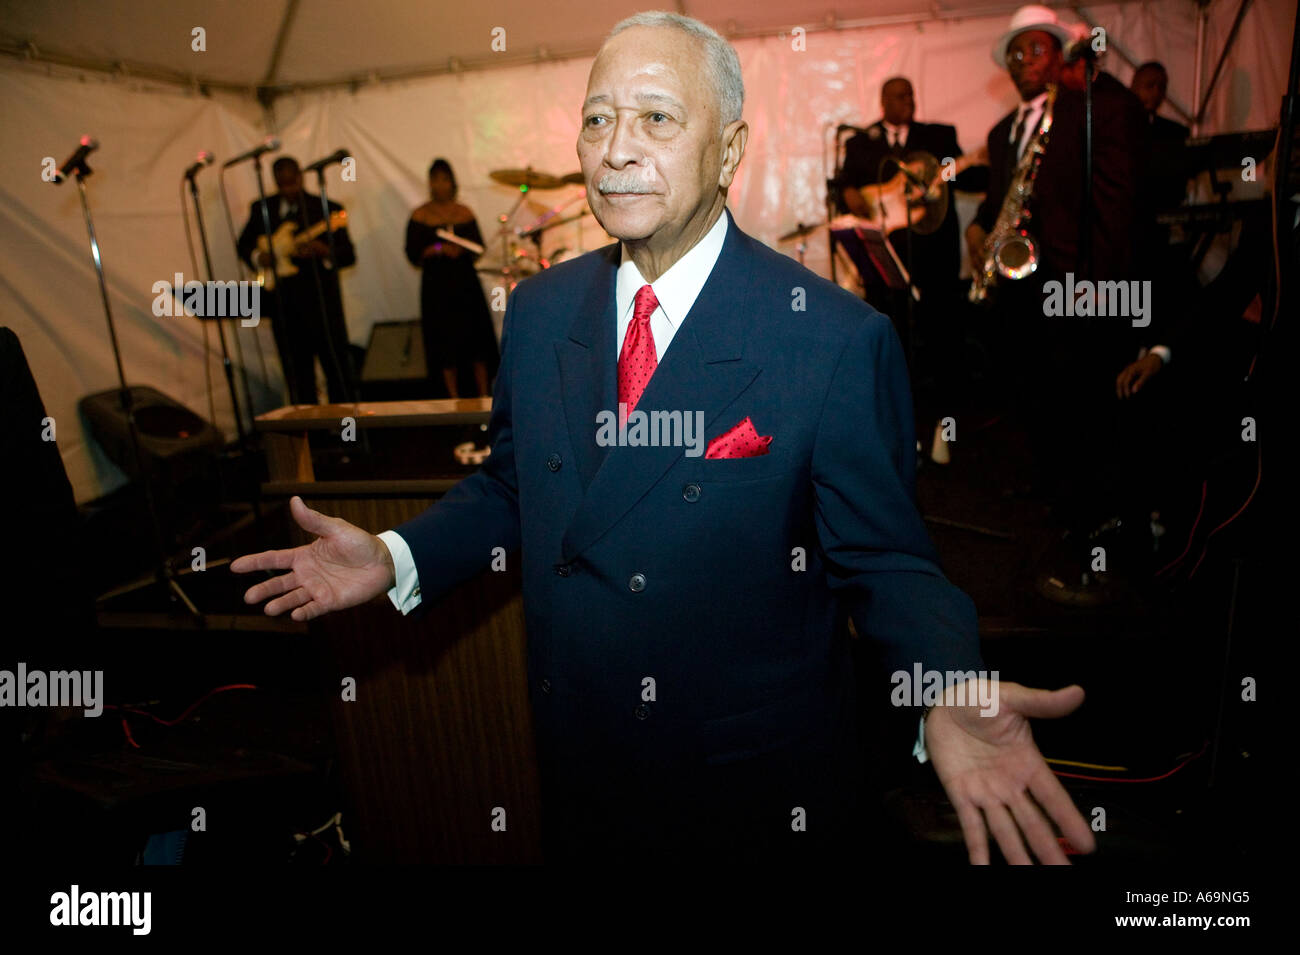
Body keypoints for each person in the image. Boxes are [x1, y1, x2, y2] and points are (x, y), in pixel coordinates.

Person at [233, 11, 1095, 864]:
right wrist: (397, 555)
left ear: (728, 149)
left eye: (656, 117)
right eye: (598, 117)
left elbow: (886, 560)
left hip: (747, 792)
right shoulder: (538, 312)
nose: (616, 148)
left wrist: (941, 680)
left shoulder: (828, 338)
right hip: (576, 768)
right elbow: (512, 485)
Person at [836, 77, 987, 463]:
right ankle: (897, 428)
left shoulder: (938, 135)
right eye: (902, 95)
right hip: (887, 262)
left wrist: (974, 165)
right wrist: (853, 195)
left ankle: (947, 425)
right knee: (892, 339)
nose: (911, 101)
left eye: (913, 95)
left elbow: (965, 175)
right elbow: (845, 187)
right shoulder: (861, 142)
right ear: (884, 100)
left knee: (943, 337)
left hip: (935, 255)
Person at [236, 156, 357, 405]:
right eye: (282, 184)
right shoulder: (262, 209)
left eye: (292, 182)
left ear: (301, 177)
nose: (288, 189)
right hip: (284, 306)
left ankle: (345, 432)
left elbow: (347, 255)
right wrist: (260, 257)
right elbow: (244, 244)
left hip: (322, 304)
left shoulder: (325, 208)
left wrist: (324, 251)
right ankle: (311, 437)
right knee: (297, 375)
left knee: (337, 369)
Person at [404, 159, 499, 398]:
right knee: (443, 342)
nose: (440, 184)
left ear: (452, 182)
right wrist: (437, 248)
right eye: (435, 179)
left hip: (464, 283)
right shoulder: (420, 214)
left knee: (476, 339)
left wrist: (460, 250)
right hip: (436, 286)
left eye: (444, 179)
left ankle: (483, 396)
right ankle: (452, 400)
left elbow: (478, 247)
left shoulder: (464, 213)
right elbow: (412, 253)